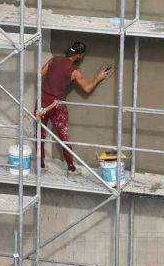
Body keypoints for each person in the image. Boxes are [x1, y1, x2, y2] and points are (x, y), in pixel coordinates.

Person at [37, 39, 110, 174]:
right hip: (57, 106)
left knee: (40, 134)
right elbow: (87, 88)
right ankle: (71, 168)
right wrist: (99, 77)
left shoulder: (54, 60)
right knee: (63, 136)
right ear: (80, 55)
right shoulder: (75, 71)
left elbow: (39, 74)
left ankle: (40, 166)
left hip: (42, 100)